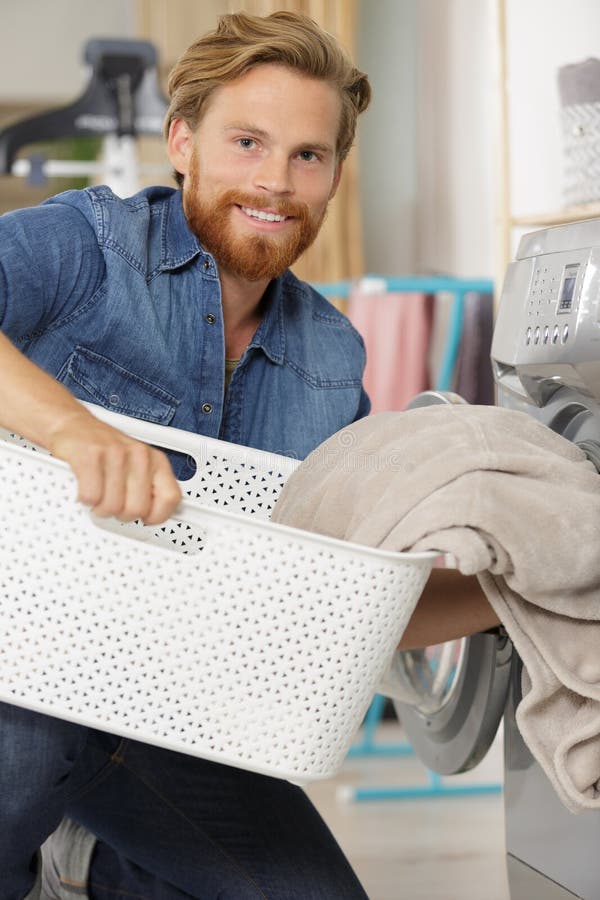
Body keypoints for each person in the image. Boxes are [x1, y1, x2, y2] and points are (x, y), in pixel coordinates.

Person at [0, 11, 498, 899]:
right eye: (247, 142)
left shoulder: (331, 359)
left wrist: (521, 591)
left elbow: (327, 601)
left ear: (336, 174)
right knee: (30, 744)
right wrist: (73, 430)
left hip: (174, 723)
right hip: (20, 682)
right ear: (182, 141)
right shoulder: (85, 247)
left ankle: (87, 856)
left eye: (308, 155)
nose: (276, 181)